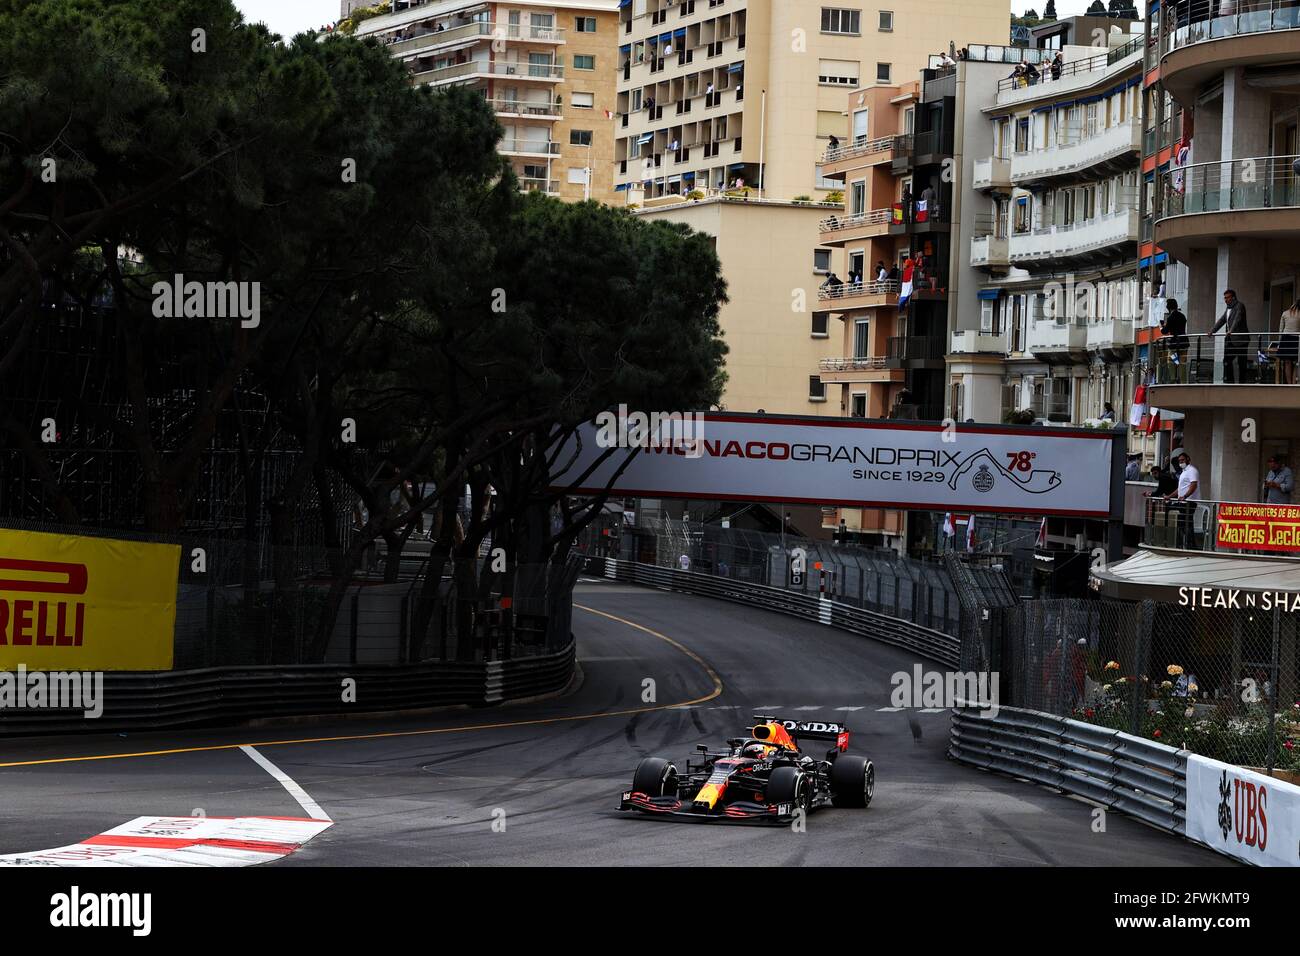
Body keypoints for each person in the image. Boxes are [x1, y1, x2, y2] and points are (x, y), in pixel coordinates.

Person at [1211, 288, 1250, 383]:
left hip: (1241, 340)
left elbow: (1238, 319)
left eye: (1227, 298)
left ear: (1233, 298)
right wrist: (1212, 331)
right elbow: (1222, 320)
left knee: (1242, 362)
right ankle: (1229, 382)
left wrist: (1231, 330)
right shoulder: (1228, 308)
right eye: (1224, 298)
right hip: (1230, 339)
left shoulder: (1239, 306)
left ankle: (1242, 383)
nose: (1225, 300)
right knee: (1227, 360)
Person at [1160, 297, 1188, 378]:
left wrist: (1161, 327)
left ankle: (1173, 378)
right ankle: (1183, 381)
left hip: (1174, 344)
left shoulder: (1170, 318)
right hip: (1184, 343)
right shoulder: (1182, 316)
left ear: (1169, 307)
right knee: (1183, 363)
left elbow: (1165, 331)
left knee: (1171, 360)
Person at [1278, 298, 1300, 384]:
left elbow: (1280, 329)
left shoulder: (1285, 313)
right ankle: (1294, 382)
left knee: (1287, 362)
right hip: (1297, 338)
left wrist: (1280, 343)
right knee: (1296, 362)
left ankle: (1289, 383)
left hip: (1286, 338)